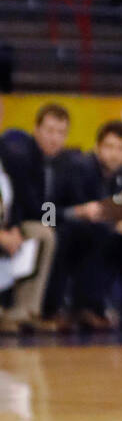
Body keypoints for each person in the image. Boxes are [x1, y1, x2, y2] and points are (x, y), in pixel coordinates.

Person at [49, 120, 122, 331]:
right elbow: (87, 211)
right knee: (97, 233)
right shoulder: (82, 167)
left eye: (121, 148)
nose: (115, 154)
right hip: (58, 221)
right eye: (109, 147)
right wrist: (120, 225)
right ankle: (84, 307)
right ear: (97, 147)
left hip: (95, 224)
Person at [0, 101, 57, 334]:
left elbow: (24, 201)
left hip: (29, 221)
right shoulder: (24, 153)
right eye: (50, 131)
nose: (55, 138)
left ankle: (25, 311)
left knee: (46, 233)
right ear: (36, 129)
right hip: (49, 219)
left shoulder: (67, 163)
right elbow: (40, 204)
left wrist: (13, 227)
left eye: (61, 132)